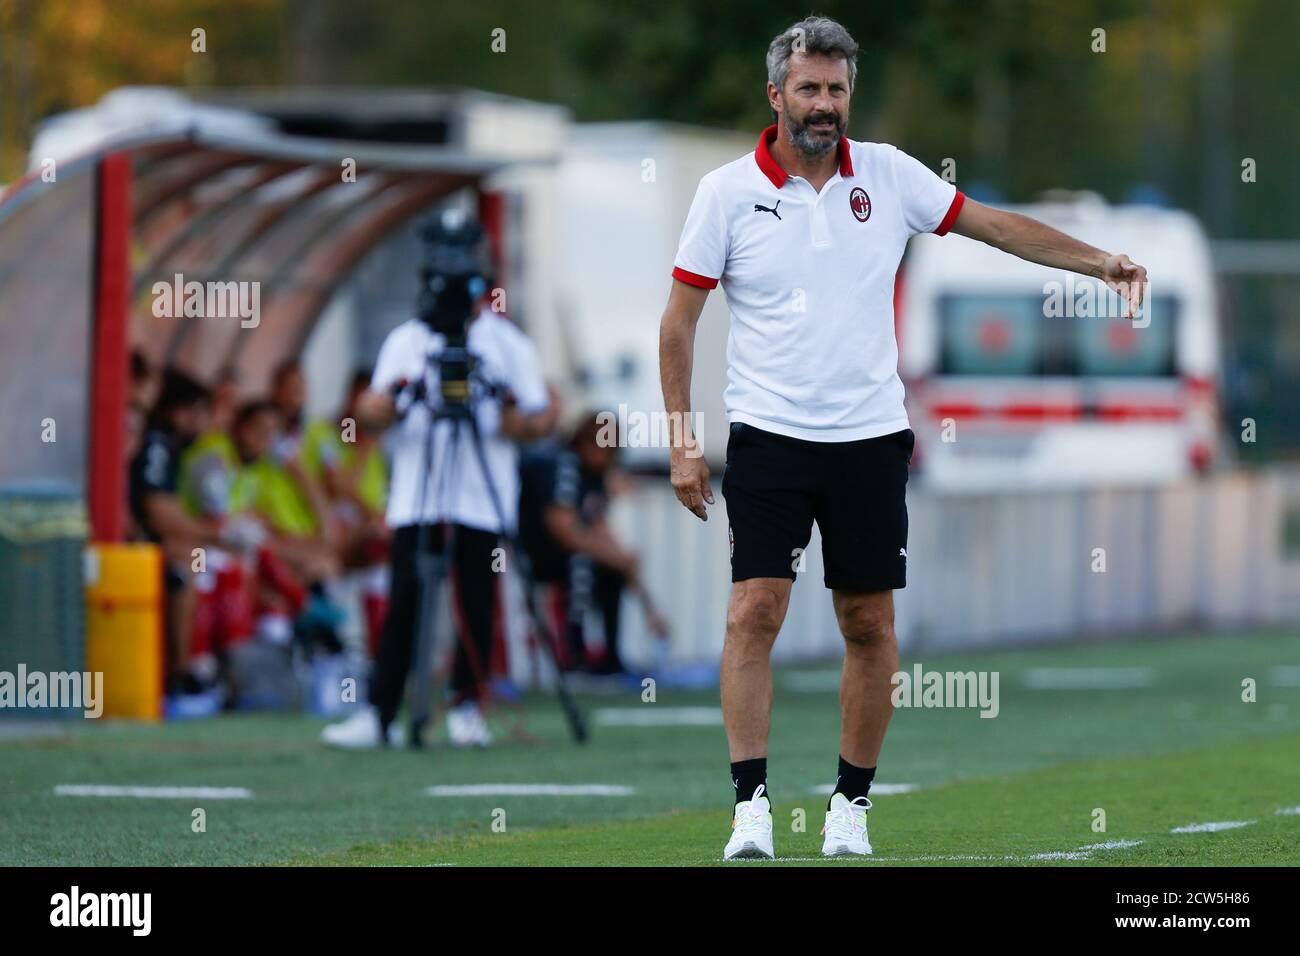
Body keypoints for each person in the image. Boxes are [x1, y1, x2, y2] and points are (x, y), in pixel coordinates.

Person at [657, 16, 1148, 860]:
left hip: (870, 438)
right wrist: (681, 439)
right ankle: (751, 809)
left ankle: (851, 806)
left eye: (837, 90)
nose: (824, 105)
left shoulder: (888, 176)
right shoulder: (726, 193)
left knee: (869, 625)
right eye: (808, 89)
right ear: (775, 95)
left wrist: (1100, 262)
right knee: (753, 611)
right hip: (769, 436)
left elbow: (994, 225)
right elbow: (679, 322)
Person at [322, 213, 555, 750]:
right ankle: (381, 713)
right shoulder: (407, 340)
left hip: (480, 497)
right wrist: (388, 404)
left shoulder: (507, 344)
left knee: (475, 600)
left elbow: (539, 418)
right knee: (405, 600)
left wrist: (511, 414)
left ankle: (467, 707)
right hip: (418, 496)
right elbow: (369, 411)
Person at [518, 411, 668, 675]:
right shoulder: (564, 465)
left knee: (611, 566)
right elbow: (564, 531)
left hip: (565, 555)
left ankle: (610, 658)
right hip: (533, 554)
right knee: (584, 562)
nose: (606, 453)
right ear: (585, 441)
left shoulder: (594, 474)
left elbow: (602, 534)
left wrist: (649, 607)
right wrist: (614, 557)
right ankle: (573, 656)